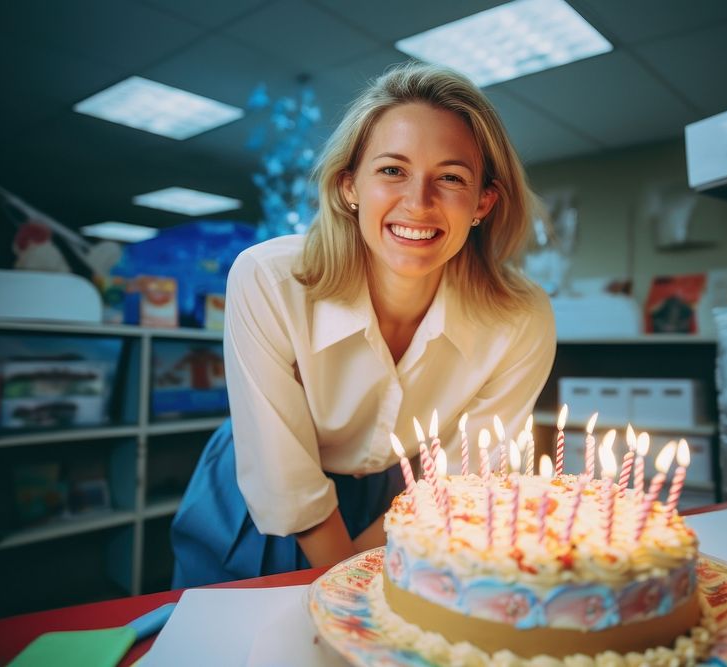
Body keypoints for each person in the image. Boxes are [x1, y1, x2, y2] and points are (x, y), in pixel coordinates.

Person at [171, 61, 557, 587]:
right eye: (392, 170)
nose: (418, 204)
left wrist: (360, 578)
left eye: (450, 178)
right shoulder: (269, 278)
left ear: (483, 202)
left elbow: (465, 476)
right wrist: (349, 583)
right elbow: (286, 480)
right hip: (262, 489)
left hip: (403, 502)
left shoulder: (520, 318)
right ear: (350, 186)